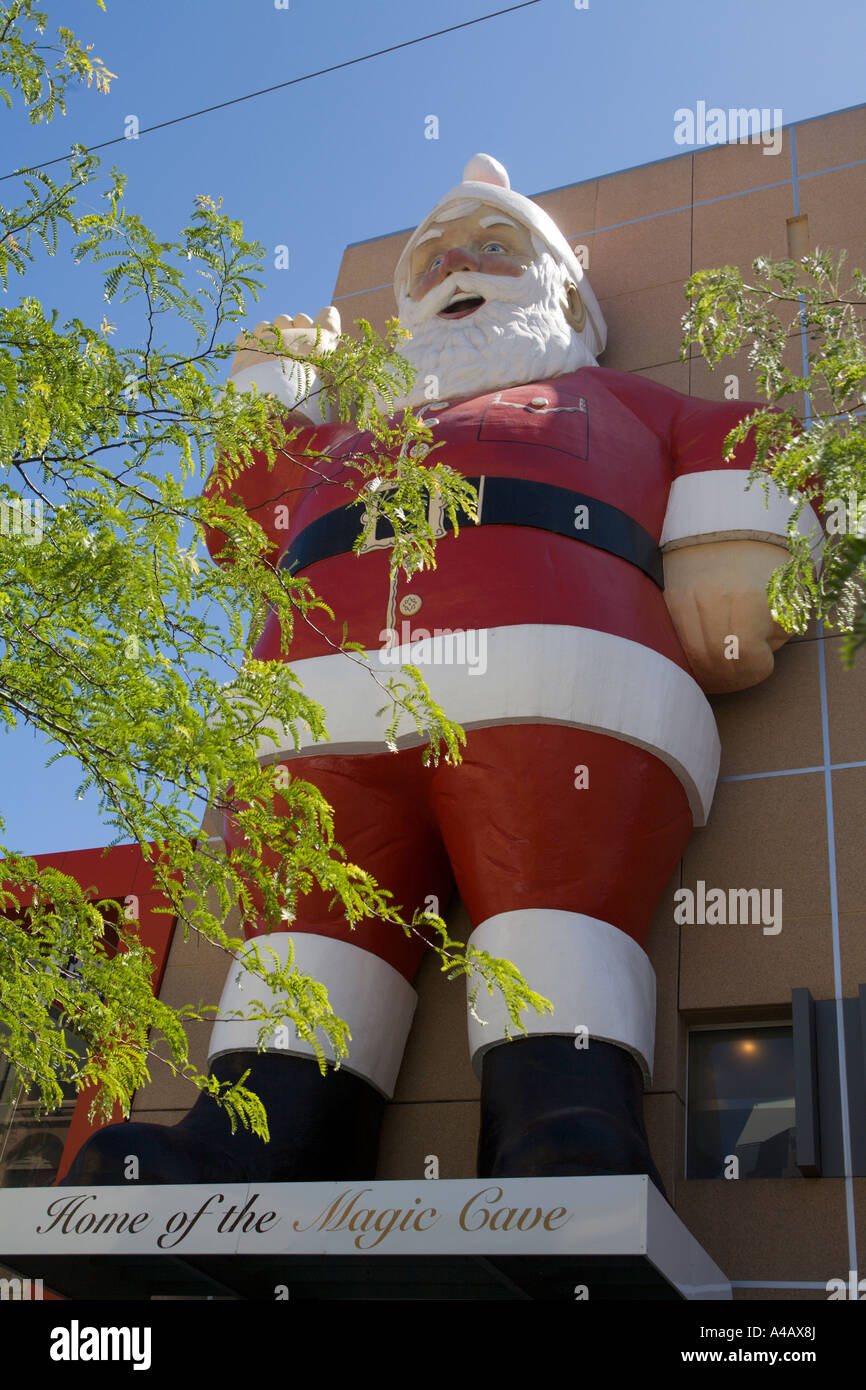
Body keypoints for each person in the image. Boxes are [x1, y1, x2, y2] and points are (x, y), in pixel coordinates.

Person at [67, 156, 821, 1189]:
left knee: (549, 904)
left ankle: (562, 1116)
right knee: (307, 928)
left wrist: (733, 534)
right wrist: (269, 394)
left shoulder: (619, 402)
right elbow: (238, 530)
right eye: (428, 261)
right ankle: (260, 1133)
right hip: (319, 716)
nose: (454, 268)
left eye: (492, 247)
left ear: (564, 291)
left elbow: (751, 436)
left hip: (553, 692)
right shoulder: (341, 443)